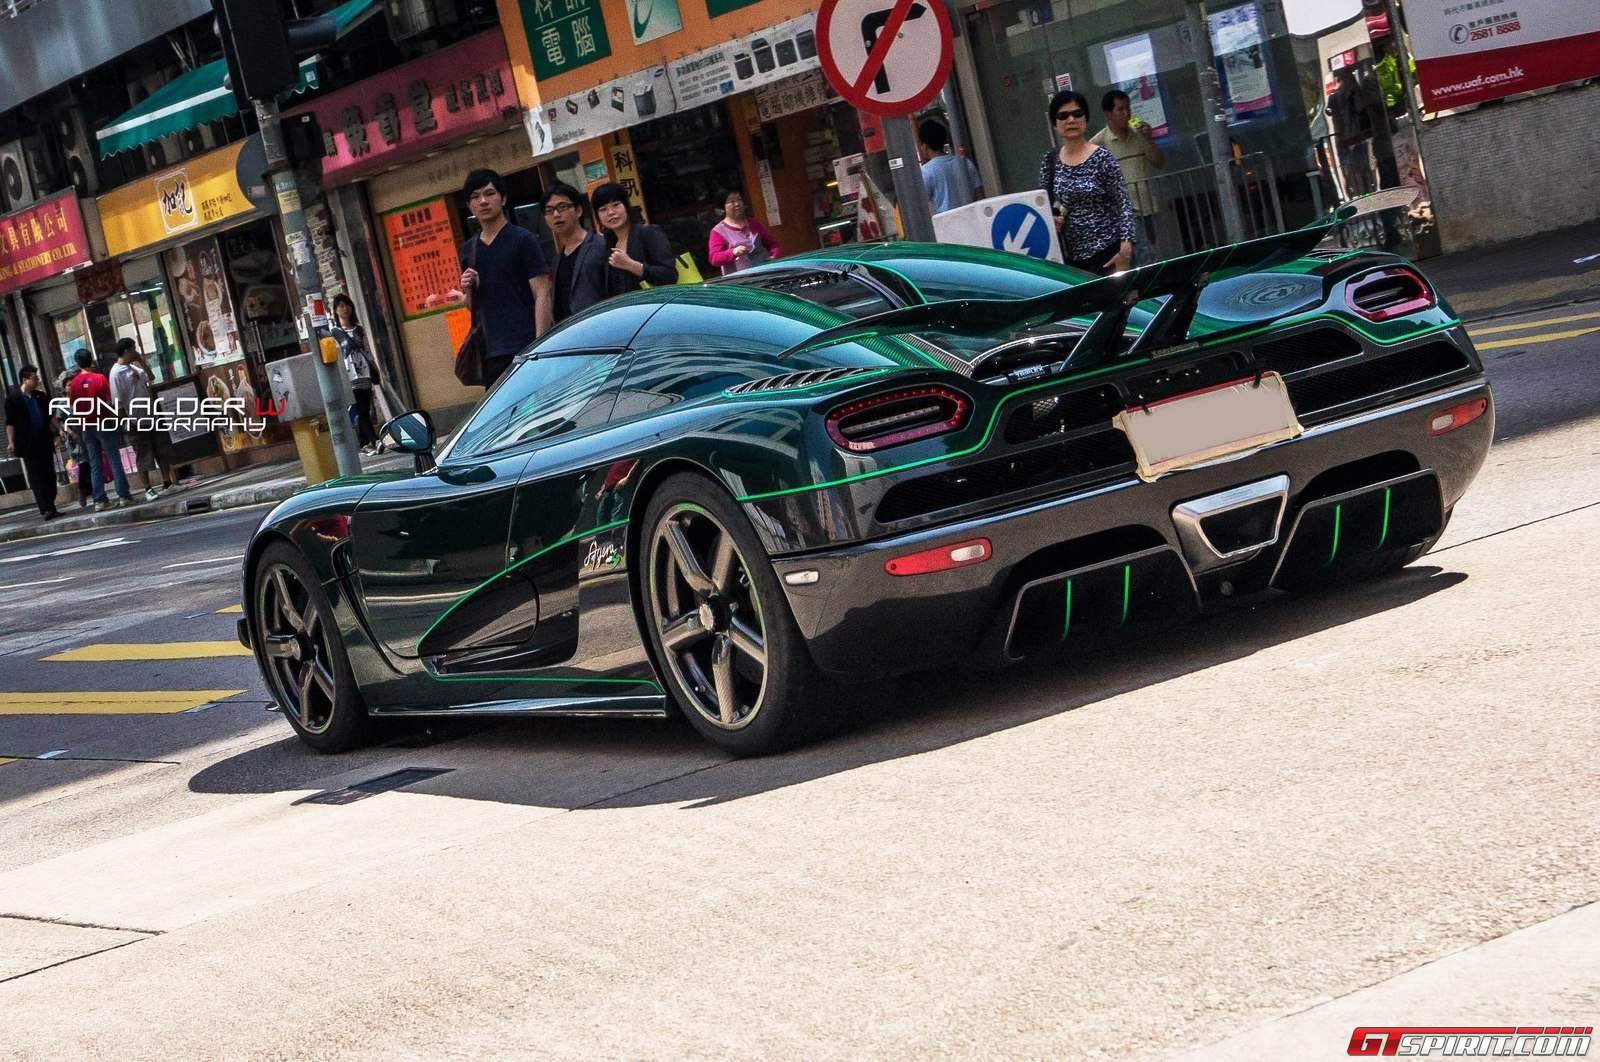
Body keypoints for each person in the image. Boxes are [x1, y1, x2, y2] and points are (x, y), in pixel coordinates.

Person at [457, 168, 554, 388]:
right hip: (490, 353)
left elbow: (542, 293)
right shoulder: (469, 250)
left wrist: (538, 346)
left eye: (490, 193)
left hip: (525, 345)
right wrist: (468, 290)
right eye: (475, 197)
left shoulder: (523, 240)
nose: (483, 201)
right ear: (470, 206)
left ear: (503, 198)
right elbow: (472, 307)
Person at [1039, 90, 1136, 275]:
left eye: (1077, 114)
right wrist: (1051, 219)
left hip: (1109, 255)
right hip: (1070, 261)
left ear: (1086, 118)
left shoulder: (1102, 158)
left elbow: (1123, 203)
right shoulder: (1049, 161)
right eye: (1063, 115)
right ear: (1055, 123)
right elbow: (1043, 205)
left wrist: (1126, 248)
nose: (1071, 120)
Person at [1090, 90, 1165, 265]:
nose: (1126, 113)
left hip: (1146, 206)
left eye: (1128, 108)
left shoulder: (1138, 135)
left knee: (1142, 254)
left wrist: (1150, 140)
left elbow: (1159, 162)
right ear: (1109, 114)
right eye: (1120, 109)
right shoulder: (1098, 144)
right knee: (1146, 256)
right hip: (1123, 212)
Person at [65, 348, 132, 510]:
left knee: (95, 463)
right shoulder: (100, 378)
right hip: (103, 422)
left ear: (77, 363)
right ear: (91, 360)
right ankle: (123, 496)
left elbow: (73, 404)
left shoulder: (73, 383)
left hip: (86, 426)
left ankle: (100, 500)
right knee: (114, 459)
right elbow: (108, 401)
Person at [109, 338, 173, 499]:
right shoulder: (116, 373)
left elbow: (150, 377)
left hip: (151, 415)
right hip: (135, 419)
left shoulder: (134, 367)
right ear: (126, 351)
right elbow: (118, 402)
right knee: (143, 454)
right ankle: (148, 488)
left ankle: (167, 483)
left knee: (162, 449)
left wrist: (140, 361)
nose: (135, 351)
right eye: (133, 349)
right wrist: (127, 421)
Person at [590, 182, 677, 295]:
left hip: (656, 306)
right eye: (603, 209)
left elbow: (669, 275)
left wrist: (630, 265)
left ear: (626, 206)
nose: (611, 213)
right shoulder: (608, 245)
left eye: (616, 205)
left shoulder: (648, 233)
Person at [542, 183, 609, 323]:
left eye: (562, 207)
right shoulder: (557, 260)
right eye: (549, 210)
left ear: (578, 210)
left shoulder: (600, 246)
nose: (556, 214)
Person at [4, 365, 61, 521]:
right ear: (25, 379)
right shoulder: (13, 400)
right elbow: (10, 423)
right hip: (28, 443)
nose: (37, 381)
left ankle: (51, 504)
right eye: (34, 378)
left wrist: (61, 429)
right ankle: (45, 508)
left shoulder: (40, 396)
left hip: (44, 440)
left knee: (49, 473)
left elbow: (50, 416)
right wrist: (11, 442)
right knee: (36, 475)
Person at [330, 295, 382, 454]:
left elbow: (367, 351)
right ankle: (374, 440)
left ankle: (365, 443)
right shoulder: (335, 333)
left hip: (364, 372)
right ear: (335, 310)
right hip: (349, 375)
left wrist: (375, 369)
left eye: (346, 305)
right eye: (340, 306)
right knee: (361, 410)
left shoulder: (359, 329)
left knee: (365, 408)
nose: (344, 309)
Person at [708, 188, 782, 275]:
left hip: (765, 273)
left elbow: (773, 244)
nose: (737, 204)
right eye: (732, 201)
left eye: (739, 199)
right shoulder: (718, 231)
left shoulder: (754, 223)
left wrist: (775, 255)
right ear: (723, 207)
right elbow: (714, 258)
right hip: (742, 281)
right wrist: (733, 252)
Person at [916, 120, 983, 214]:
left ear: (925, 146)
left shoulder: (926, 171)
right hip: (971, 219)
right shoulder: (965, 163)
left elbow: (922, 205)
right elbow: (979, 194)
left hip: (946, 224)